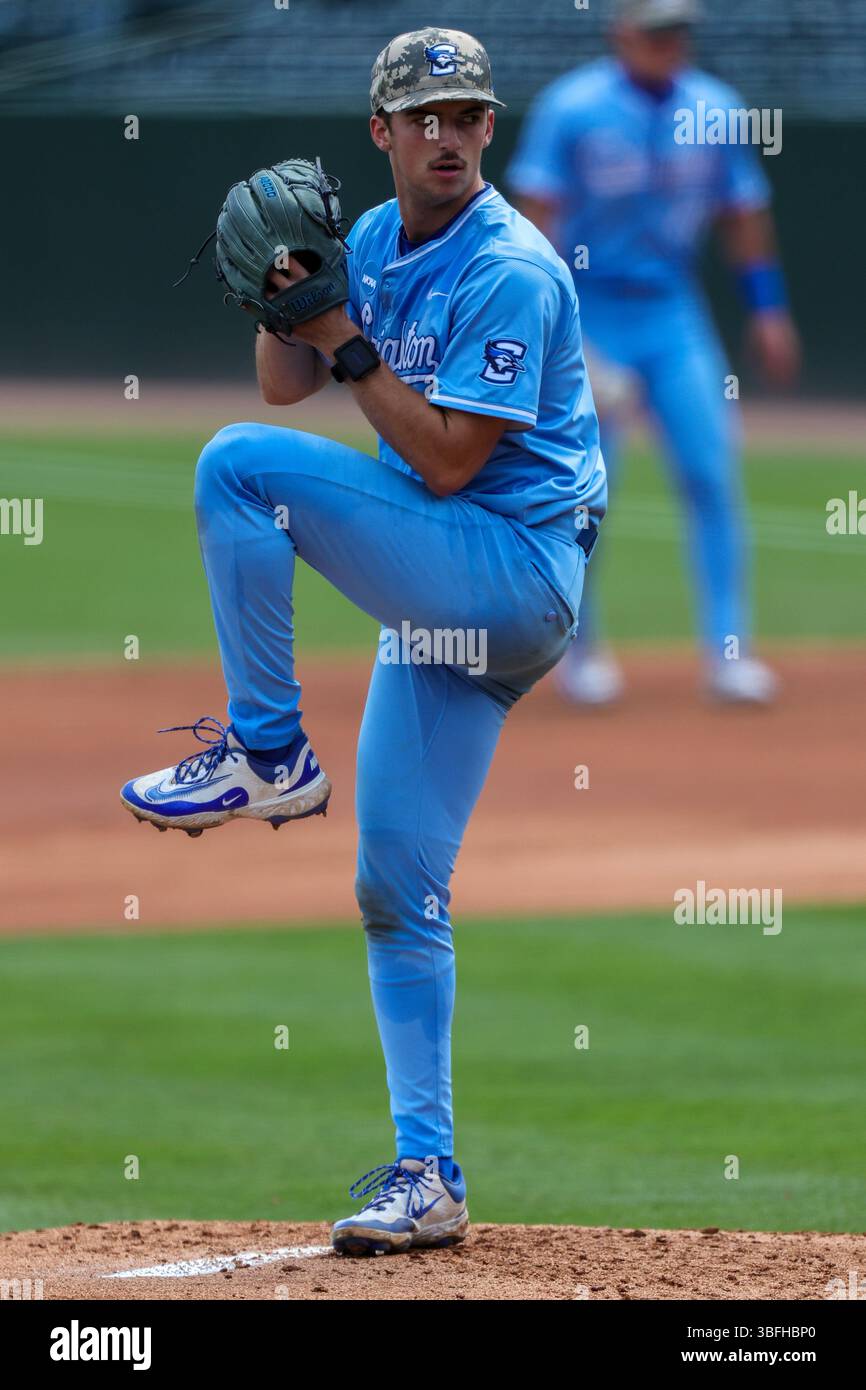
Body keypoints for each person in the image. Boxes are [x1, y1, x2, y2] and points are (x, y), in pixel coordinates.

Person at [120, 27, 606, 1256]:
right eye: (423, 116)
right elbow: (288, 382)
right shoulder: (379, 241)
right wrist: (285, 292)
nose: (447, 135)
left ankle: (268, 750)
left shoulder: (513, 264)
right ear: (380, 134)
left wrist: (340, 332)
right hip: (447, 608)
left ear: (488, 131)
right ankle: (426, 1171)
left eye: (468, 116)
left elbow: (446, 462)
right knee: (396, 887)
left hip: (506, 571)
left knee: (235, 468)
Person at [507, 0, 800, 705]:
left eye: (680, 30)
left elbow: (743, 214)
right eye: (656, 30)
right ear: (621, 34)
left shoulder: (716, 107)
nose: (670, 42)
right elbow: (529, 226)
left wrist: (767, 310)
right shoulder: (571, 107)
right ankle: (576, 651)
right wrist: (557, 337)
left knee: (710, 473)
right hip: (586, 310)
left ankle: (729, 654)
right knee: (585, 493)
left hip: (672, 311)